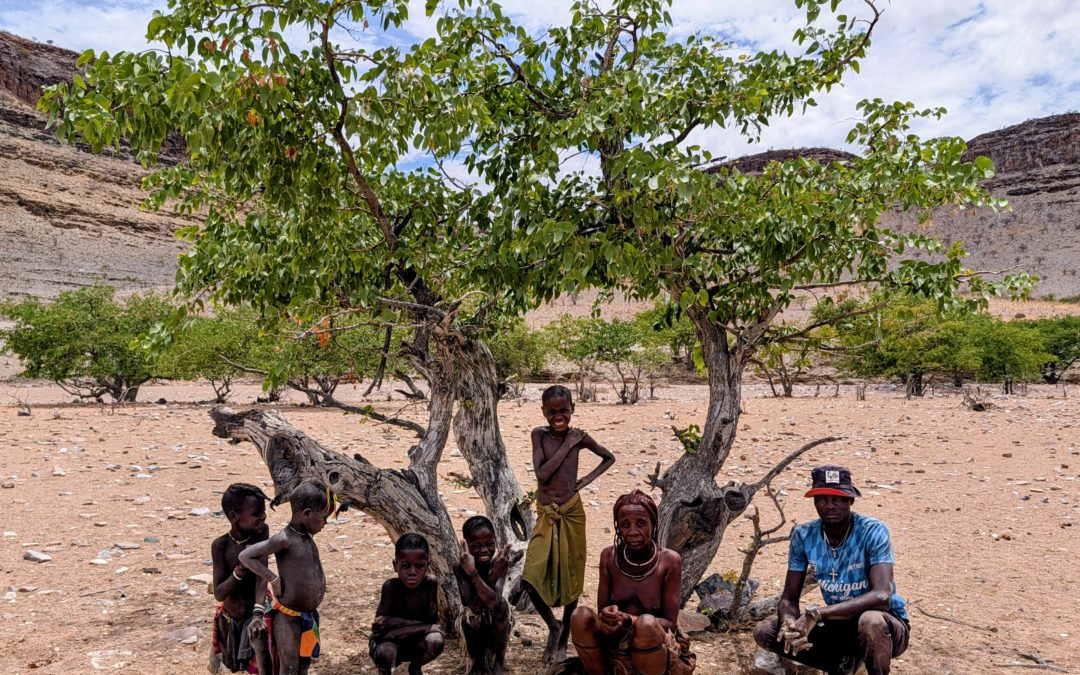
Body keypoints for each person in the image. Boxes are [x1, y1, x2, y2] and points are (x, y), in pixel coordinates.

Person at [752, 464, 910, 675]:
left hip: (885, 625)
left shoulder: (872, 530)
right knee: (766, 632)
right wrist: (789, 624)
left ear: (850, 500)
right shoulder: (804, 535)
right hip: (838, 624)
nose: (829, 505)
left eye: (837, 499)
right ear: (814, 502)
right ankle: (843, 663)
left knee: (870, 621)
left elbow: (882, 596)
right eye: (822, 499)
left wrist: (816, 615)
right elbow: (789, 598)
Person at [522, 385, 616, 663]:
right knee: (530, 577)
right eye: (552, 412)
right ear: (543, 412)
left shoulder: (581, 437)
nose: (558, 416)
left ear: (573, 409)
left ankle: (562, 638)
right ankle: (553, 625)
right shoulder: (539, 435)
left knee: (571, 574)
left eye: (564, 410)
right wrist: (568, 444)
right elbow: (542, 475)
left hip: (572, 512)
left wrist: (583, 482)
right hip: (547, 512)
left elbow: (609, 458)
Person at [569, 490, 695, 675]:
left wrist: (629, 619)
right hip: (615, 639)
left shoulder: (669, 561)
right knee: (580, 616)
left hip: (653, 643)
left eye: (641, 523)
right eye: (625, 525)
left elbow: (670, 622)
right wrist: (609, 617)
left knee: (645, 624)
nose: (633, 532)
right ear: (618, 527)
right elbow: (602, 612)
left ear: (654, 524)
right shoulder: (609, 557)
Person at [239, 479, 336, 675]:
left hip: (308, 616)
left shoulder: (305, 537)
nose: (325, 523)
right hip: (288, 617)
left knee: (304, 663)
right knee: (289, 667)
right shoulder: (284, 539)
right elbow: (245, 556)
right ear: (306, 513)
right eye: (323, 518)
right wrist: (273, 578)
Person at [209, 483, 272, 674]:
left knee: (263, 661)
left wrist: (258, 613)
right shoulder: (221, 546)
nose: (263, 516)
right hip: (231, 616)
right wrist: (239, 571)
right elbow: (219, 593)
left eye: (263, 511)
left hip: (255, 611)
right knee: (232, 662)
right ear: (234, 516)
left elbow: (262, 574)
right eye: (256, 513)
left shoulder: (261, 533)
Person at [370, 533, 445, 675]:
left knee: (436, 639)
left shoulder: (430, 584)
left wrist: (396, 623)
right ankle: (385, 672)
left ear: (427, 566)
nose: (412, 572)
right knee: (386, 652)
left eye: (419, 566)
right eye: (405, 566)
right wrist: (422, 627)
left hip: (414, 640)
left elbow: (432, 624)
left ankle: (415, 667)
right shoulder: (391, 587)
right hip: (390, 643)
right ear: (395, 565)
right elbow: (380, 631)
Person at [454, 515, 513, 675]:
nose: (485, 550)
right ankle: (478, 660)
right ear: (466, 545)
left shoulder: (499, 563)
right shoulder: (460, 568)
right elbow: (472, 608)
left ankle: (499, 660)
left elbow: (494, 602)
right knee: (471, 620)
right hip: (474, 620)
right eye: (476, 546)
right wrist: (472, 572)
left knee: (502, 608)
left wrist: (495, 573)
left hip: (496, 620)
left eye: (490, 544)